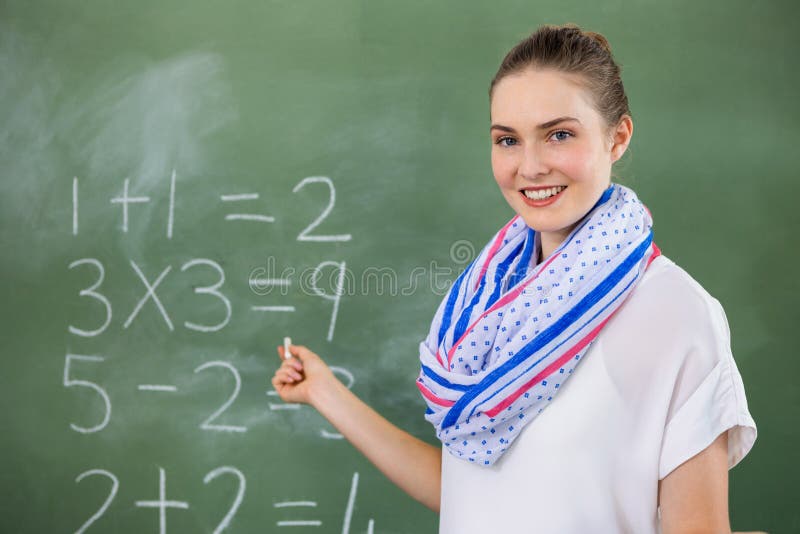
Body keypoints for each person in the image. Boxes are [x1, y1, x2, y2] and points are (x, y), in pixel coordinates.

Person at [271, 23, 757, 533]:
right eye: (507, 140)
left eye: (559, 134)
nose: (529, 166)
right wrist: (325, 393)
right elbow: (472, 494)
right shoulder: (485, 308)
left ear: (618, 137)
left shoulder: (675, 313)